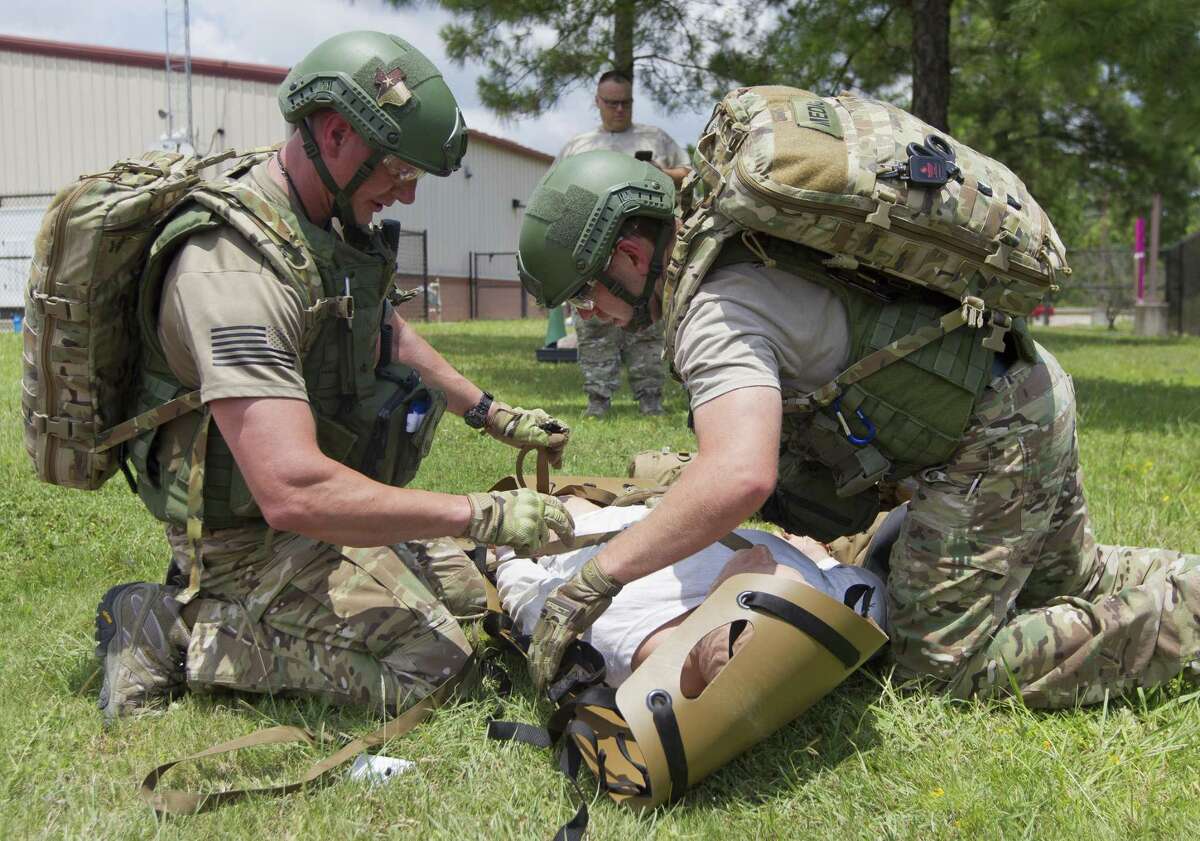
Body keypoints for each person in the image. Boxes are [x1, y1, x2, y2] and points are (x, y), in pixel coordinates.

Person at [514, 148, 1200, 709]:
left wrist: (594, 577)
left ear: (632, 255)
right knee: (1070, 577)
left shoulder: (712, 313)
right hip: (1020, 383)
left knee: (938, 666)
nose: (588, 314)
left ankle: (1188, 619)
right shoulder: (732, 240)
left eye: (585, 291)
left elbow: (739, 474)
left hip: (989, 437)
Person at [93, 31, 575, 721]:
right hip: (250, 538)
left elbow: (382, 325)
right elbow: (289, 488)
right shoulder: (234, 270)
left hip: (321, 514)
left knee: (472, 593)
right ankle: (170, 625)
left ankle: (229, 609)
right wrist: (480, 510)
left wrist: (494, 413)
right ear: (337, 133)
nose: (403, 195)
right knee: (433, 667)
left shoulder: (321, 222)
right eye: (397, 172)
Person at [495, 501, 889, 693]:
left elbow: (529, 599)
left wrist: (505, 554)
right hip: (646, 520)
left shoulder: (610, 637)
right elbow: (854, 583)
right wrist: (814, 557)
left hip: (589, 531)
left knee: (545, 508)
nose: (764, 560)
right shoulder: (833, 606)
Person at [555, 70, 690, 418]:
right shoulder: (579, 147)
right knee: (593, 326)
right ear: (597, 102)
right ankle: (597, 401)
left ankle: (651, 400)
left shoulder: (655, 138)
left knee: (648, 327)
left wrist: (664, 173)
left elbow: (690, 178)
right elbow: (555, 194)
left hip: (644, 256)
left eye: (625, 103)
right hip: (592, 255)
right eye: (611, 102)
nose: (619, 109)